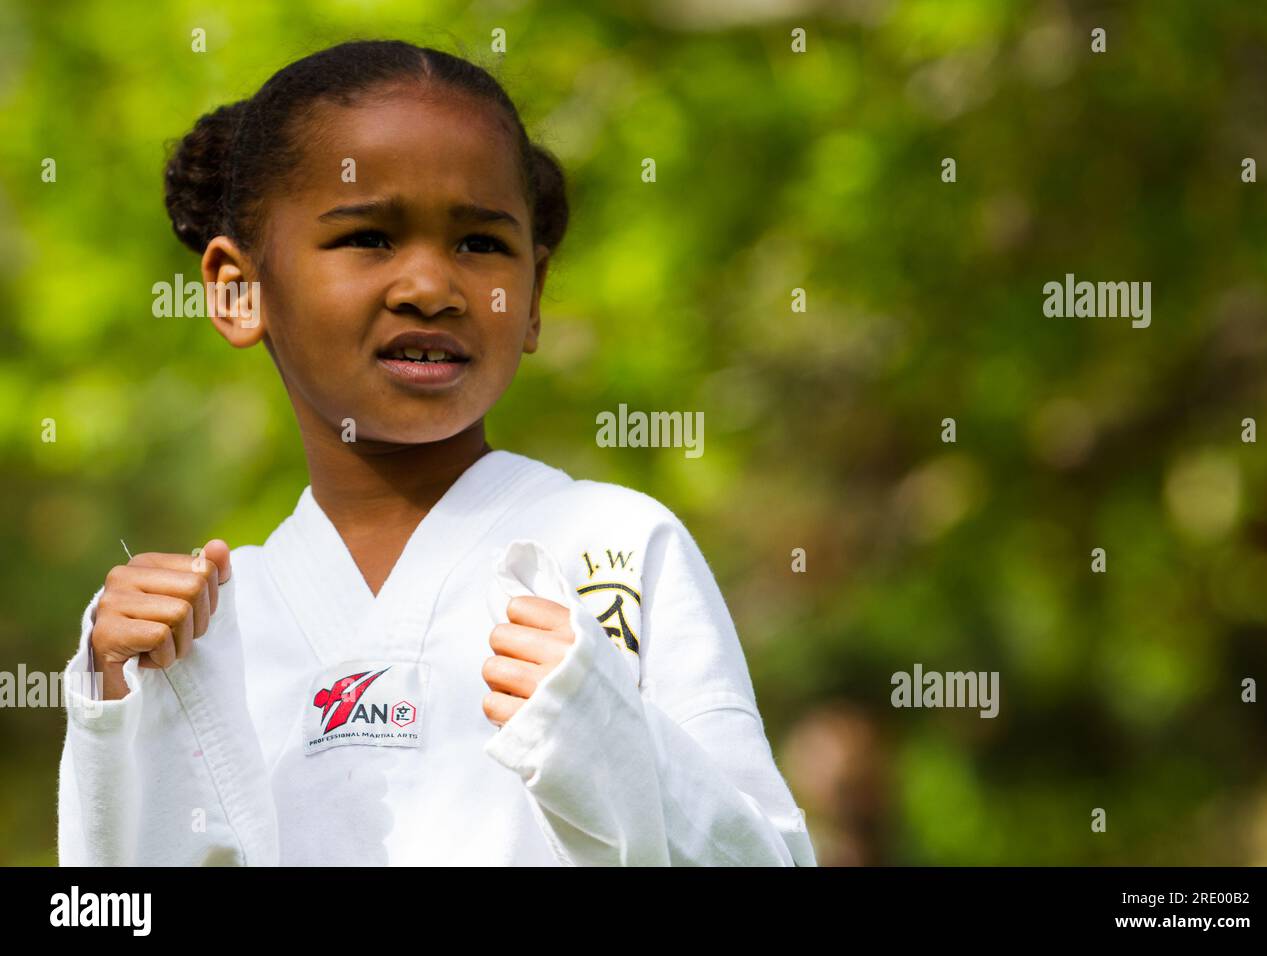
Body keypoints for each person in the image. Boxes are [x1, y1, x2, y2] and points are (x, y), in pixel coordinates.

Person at [56, 38, 815, 867]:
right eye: (370, 238)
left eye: (481, 245)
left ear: (533, 298)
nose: (431, 286)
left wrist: (604, 734)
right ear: (240, 289)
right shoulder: (203, 630)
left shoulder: (615, 549)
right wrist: (116, 702)